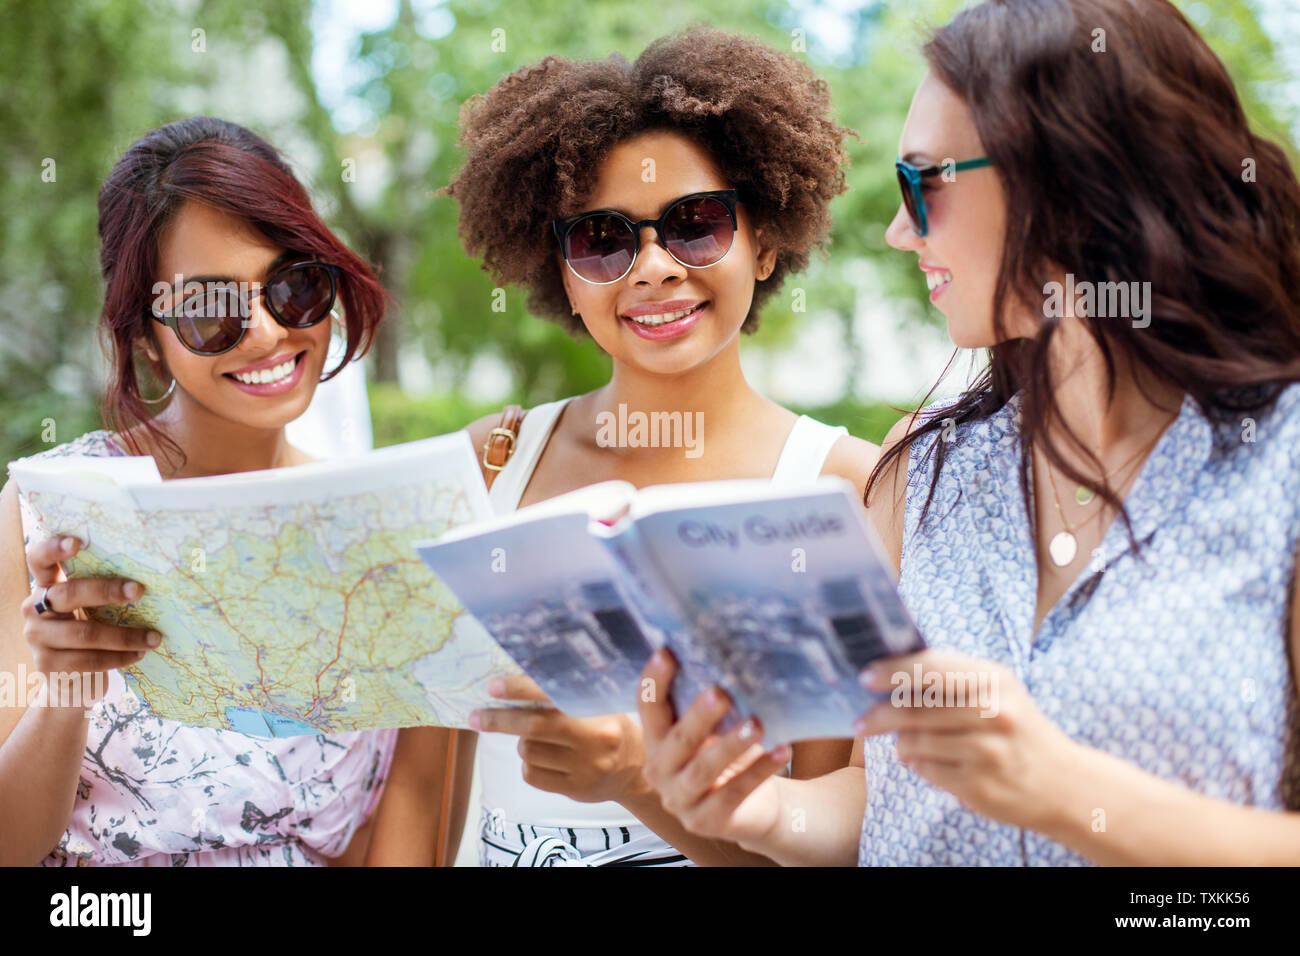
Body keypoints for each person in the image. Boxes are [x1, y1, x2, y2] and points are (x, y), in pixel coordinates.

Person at [637, 0, 1300, 865]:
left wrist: (1062, 789)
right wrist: (757, 812)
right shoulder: (922, 470)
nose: (899, 229)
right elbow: (887, 805)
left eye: (925, 183)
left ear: (1066, 173)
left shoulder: (1278, 463)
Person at [442, 27, 878, 866]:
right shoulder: (492, 462)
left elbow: (827, 851)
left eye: (696, 224)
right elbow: (429, 777)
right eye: (603, 239)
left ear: (767, 237)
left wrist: (640, 779)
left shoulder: (846, 489)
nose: (652, 268)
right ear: (560, 268)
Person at [0, 116, 461, 866]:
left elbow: (409, 832)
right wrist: (64, 696)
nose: (265, 334)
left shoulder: (390, 527)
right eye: (211, 310)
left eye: (294, 285)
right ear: (144, 336)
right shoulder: (50, 515)